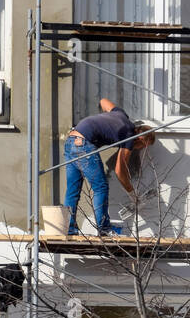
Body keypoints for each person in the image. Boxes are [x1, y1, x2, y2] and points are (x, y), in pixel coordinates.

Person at [64, 98, 157, 236]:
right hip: (84, 144)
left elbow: (103, 101)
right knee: (100, 187)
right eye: (143, 146)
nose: (141, 149)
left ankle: (69, 229)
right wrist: (132, 194)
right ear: (141, 138)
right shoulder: (130, 136)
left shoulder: (120, 114)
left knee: (73, 190)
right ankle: (104, 229)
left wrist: (104, 123)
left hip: (71, 140)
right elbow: (120, 170)